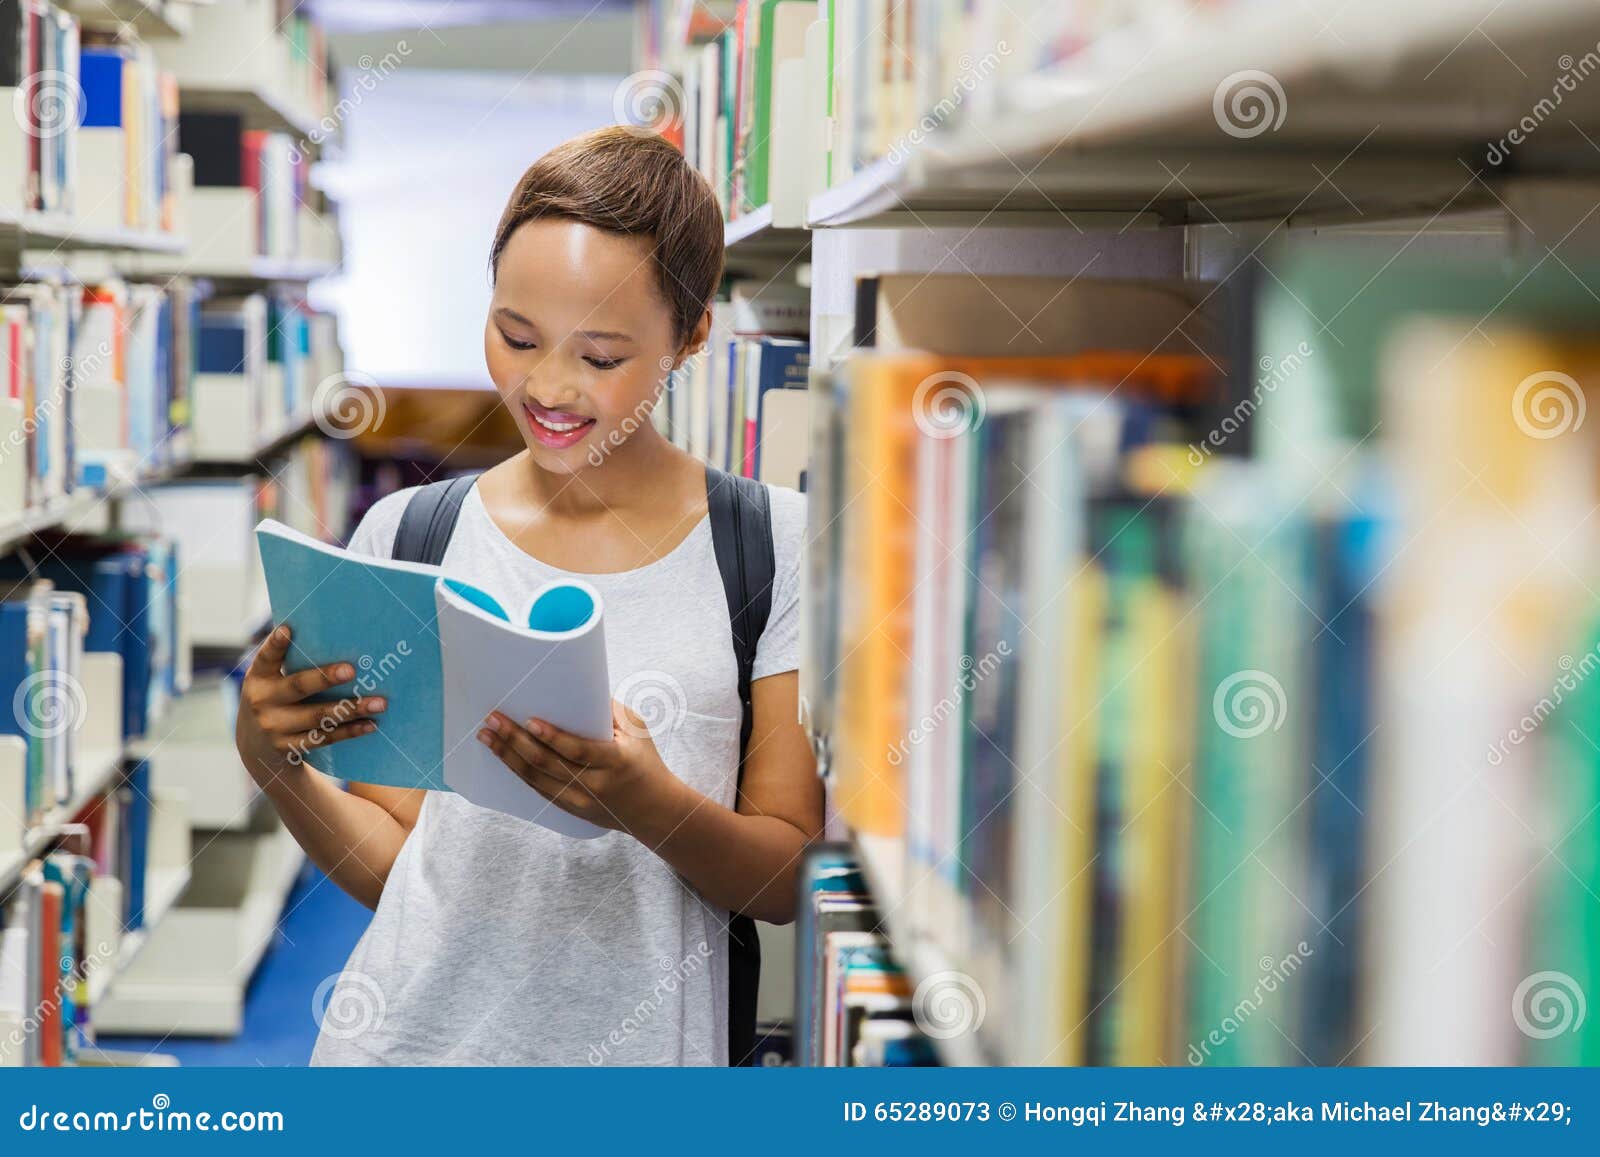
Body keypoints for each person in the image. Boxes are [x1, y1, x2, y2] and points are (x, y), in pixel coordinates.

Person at [233, 126, 823, 1065]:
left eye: (599, 358)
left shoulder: (773, 543)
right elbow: (396, 864)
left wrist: (648, 801)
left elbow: (786, 878)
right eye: (515, 336)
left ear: (694, 333)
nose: (546, 385)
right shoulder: (410, 536)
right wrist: (271, 762)